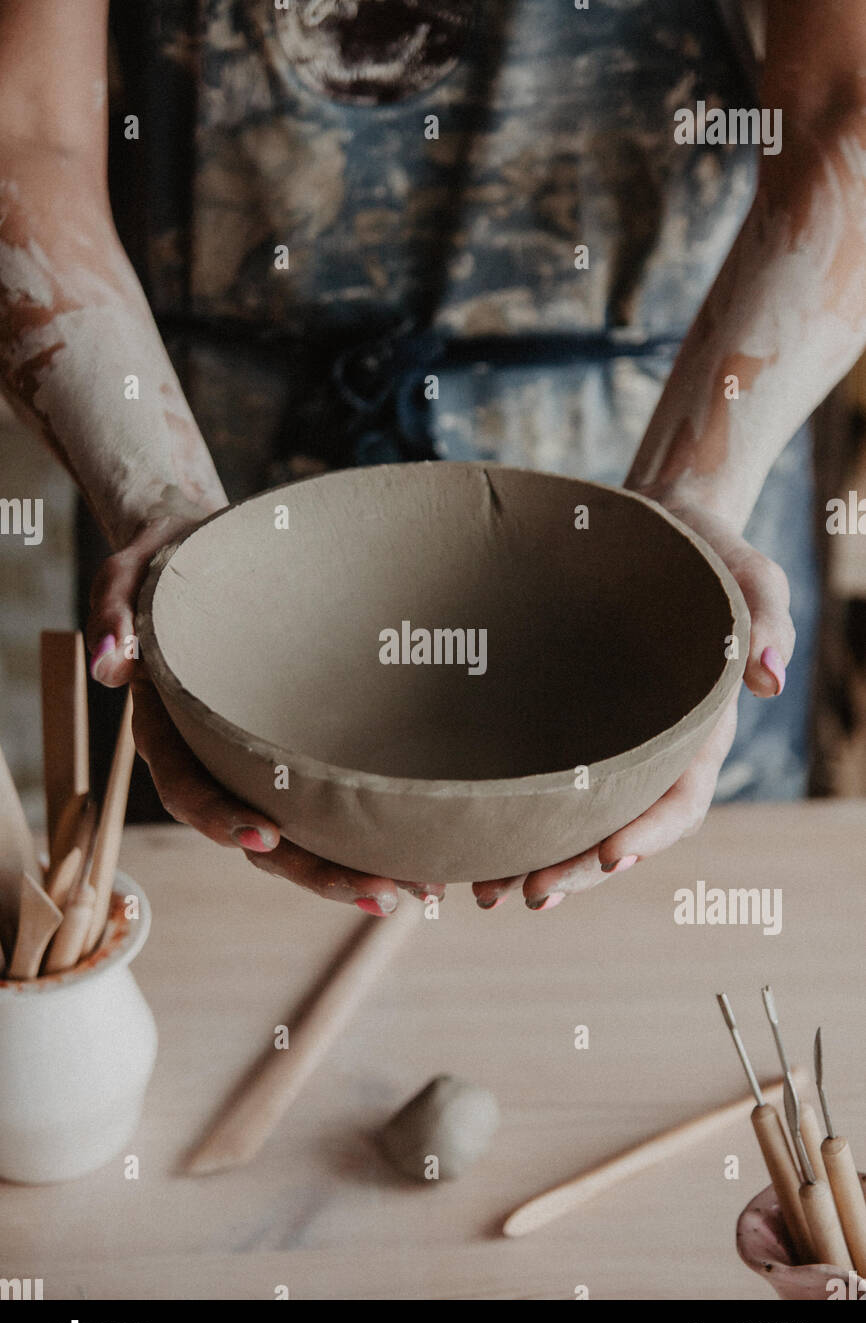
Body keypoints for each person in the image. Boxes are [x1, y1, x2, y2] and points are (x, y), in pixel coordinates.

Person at [1, 0, 862, 912]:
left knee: (656, 1005)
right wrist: (158, 502)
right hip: (200, 486)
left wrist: (692, 498)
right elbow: (24, 131)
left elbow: (845, 107)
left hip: (660, 499)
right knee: (196, 976)